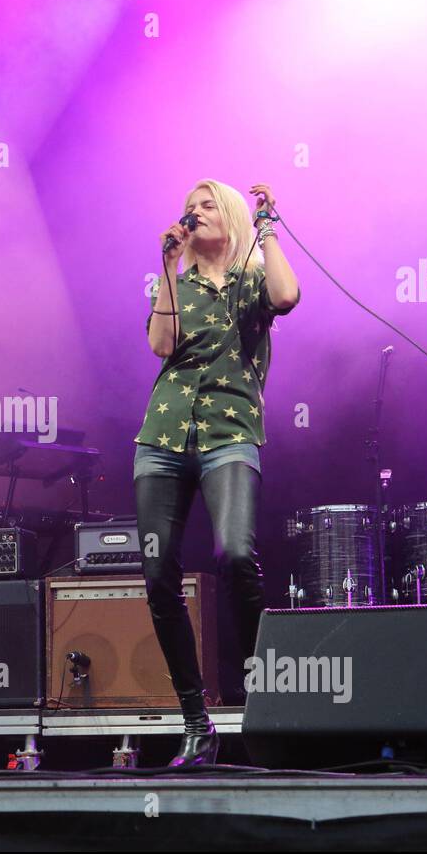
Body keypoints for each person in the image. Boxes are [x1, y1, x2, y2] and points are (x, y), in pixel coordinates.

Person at [134, 180, 301, 767]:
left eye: (208, 205)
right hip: (161, 441)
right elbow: (160, 344)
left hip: (230, 437)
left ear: (229, 218)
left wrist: (269, 226)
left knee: (234, 554)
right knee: (158, 574)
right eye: (191, 205)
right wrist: (166, 266)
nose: (195, 211)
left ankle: (267, 703)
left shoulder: (251, 279)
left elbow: (286, 296)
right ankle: (196, 724)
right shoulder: (176, 283)